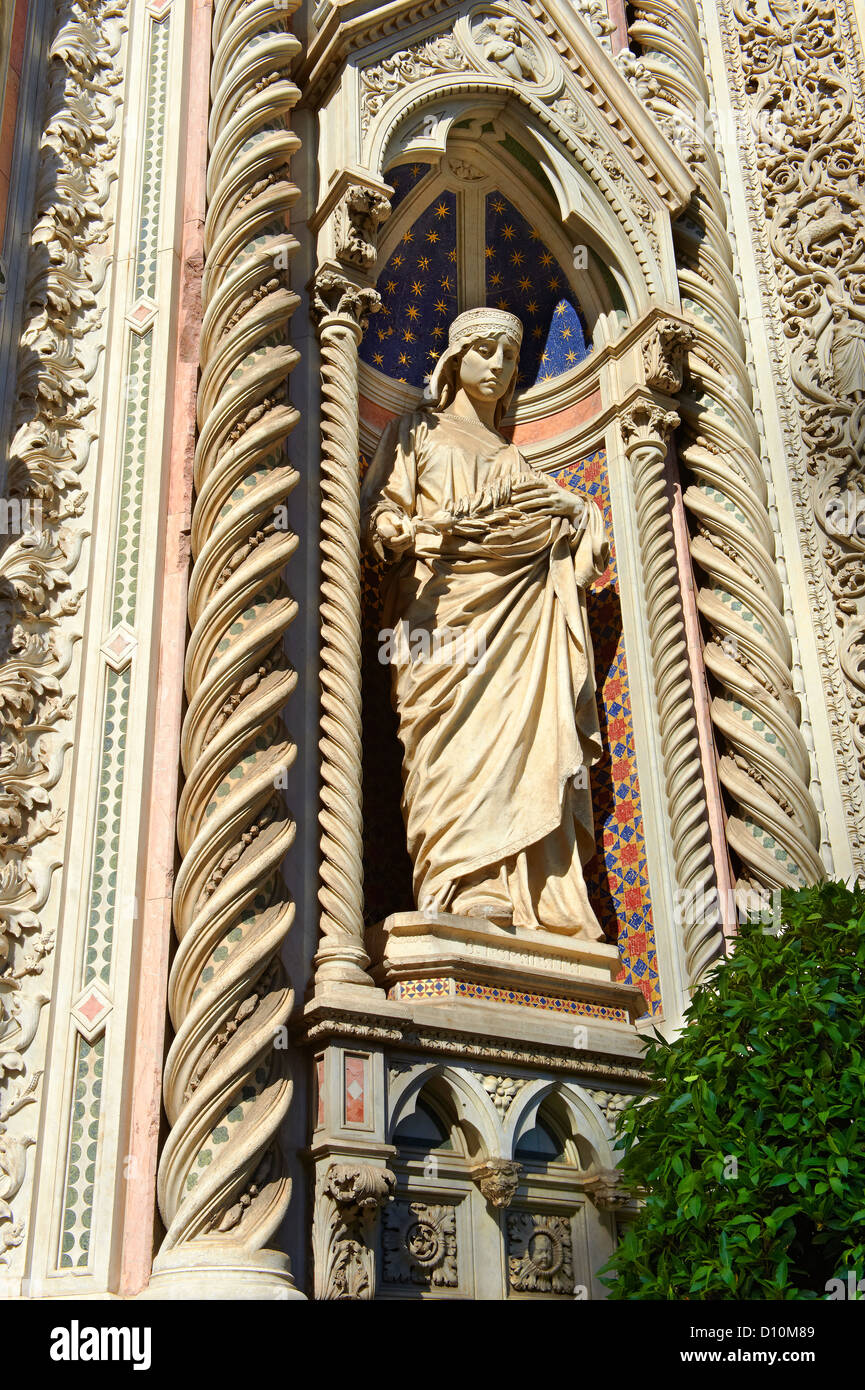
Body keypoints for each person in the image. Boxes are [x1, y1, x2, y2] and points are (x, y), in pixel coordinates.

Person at [360, 307, 608, 938]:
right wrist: (405, 532)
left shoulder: (515, 461)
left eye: (509, 356)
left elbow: (572, 548)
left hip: (514, 627)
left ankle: (526, 896)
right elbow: (381, 518)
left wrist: (574, 507)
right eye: (486, 350)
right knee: (447, 751)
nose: (498, 365)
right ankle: (456, 880)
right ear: (454, 359)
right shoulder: (417, 431)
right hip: (436, 616)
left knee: (516, 741)